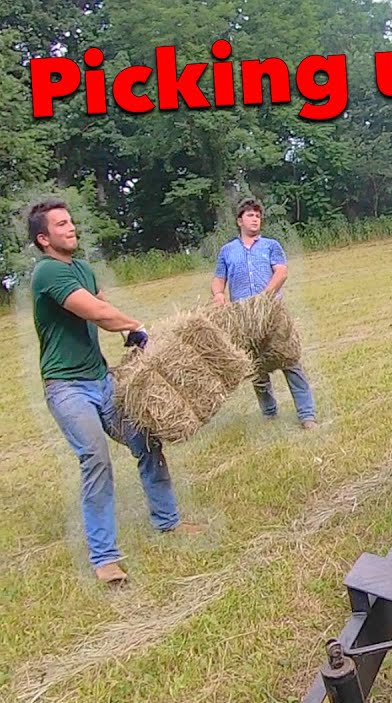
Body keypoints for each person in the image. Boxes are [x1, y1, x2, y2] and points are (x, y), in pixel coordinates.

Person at [28, 198, 201, 585]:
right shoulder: (47, 272)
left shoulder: (82, 269)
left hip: (101, 380)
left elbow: (104, 305)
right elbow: (96, 312)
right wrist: (136, 326)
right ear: (43, 239)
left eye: (70, 221)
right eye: (61, 224)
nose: (71, 227)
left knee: (147, 441)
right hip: (67, 389)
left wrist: (127, 332)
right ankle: (105, 559)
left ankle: (168, 522)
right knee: (96, 461)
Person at [211, 198, 318, 430]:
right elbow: (219, 279)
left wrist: (265, 297)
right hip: (243, 318)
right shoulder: (227, 251)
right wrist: (218, 294)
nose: (255, 219)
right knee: (257, 367)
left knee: (290, 362)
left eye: (258, 216)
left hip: (272, 313)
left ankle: (307, 415)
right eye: (250, 215)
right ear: (239, 221)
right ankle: (269, 412)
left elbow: (281, 272)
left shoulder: (271, 246)